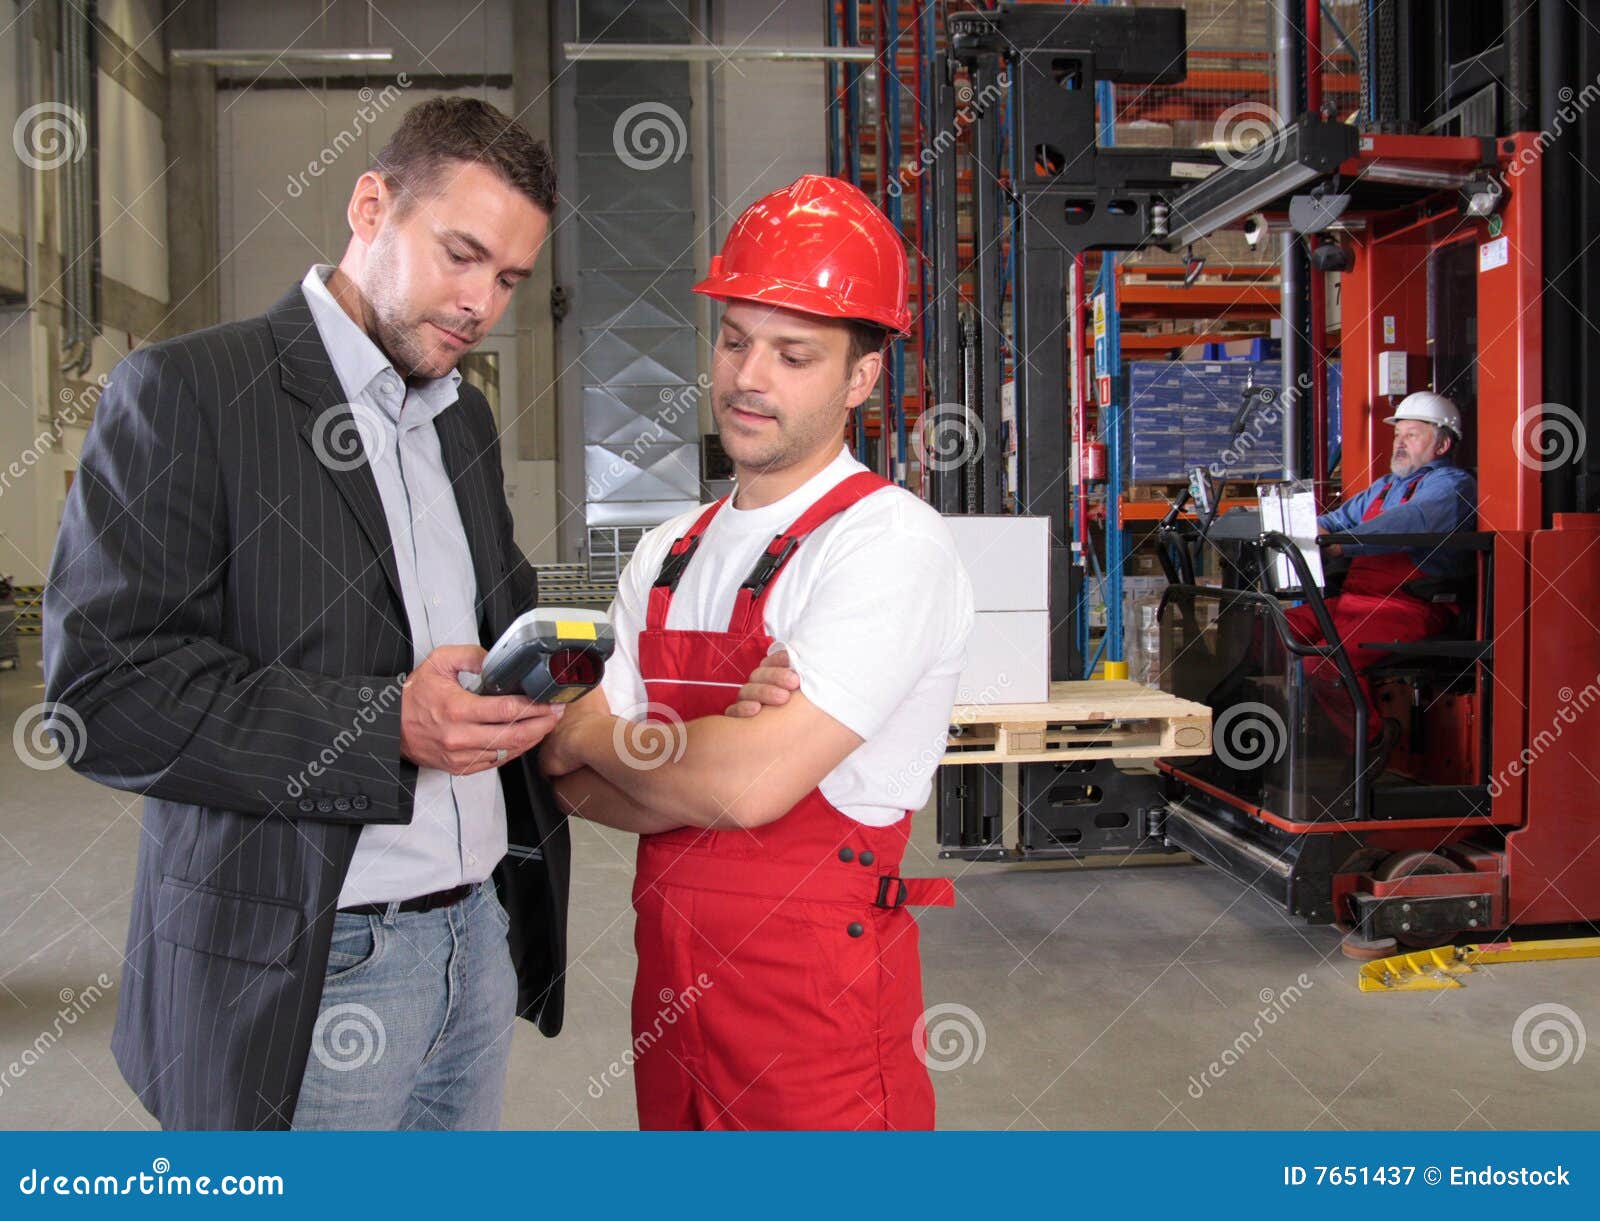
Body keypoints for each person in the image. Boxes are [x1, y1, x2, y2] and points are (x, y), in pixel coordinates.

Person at [43, 98, 570, 1130]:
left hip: (474, 943)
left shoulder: (462, 420)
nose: (479, 302)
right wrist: (386, 726)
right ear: (370, 206)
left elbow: (499, 636)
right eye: (459, 254)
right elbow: (103, 692)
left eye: (508, 278)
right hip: (310, 961)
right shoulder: (190, 393)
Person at [538, 174, 975, 1130]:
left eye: (794, 354)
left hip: (817, 1015)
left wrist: (591, 727)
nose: (749, 377)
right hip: (671, 999)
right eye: (735, 340)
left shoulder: (887, 543)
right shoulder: (667, 551)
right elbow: (561, 781)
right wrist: (690, 745)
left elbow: (738, 789)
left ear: (860, 378)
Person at [1288, 390, 1478, 756]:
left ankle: (1373, 742)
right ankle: (1290, 747)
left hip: (1408, 606)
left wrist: (1341, 543)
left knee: (1324, 663)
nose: (1400, 444)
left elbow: (1408, 522)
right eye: (1397, 435)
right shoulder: (1385, 486)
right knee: (1270, 629)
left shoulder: (1451, 487)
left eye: (1412, 435)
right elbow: (1336, 519)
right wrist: (1297, 527)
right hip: (1353, 603)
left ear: (1442, 444)